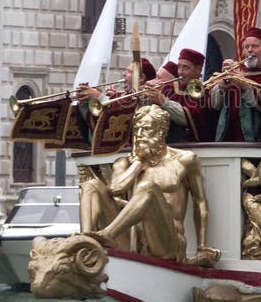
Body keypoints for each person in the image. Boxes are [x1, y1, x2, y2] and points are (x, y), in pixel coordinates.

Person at [82, 104, 212, 264]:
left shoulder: (185, 160)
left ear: (161, 131)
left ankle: (108, 234)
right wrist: (138, 161)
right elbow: (115, 189)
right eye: (137, 130)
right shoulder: (125, 162)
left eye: (146, 130)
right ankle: (84, 243)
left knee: (148, 186)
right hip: (131, 238)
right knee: (91, 185)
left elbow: (200, 202)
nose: (140, 135)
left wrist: (202, 247)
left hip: (166, 242)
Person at [210, 27, 261, 142]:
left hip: (257, 138)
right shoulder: (236, 69)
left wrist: (245, 86)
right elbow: (215, 106)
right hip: (227, 136)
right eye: (246, 47)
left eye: (254, 46)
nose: (249, 50)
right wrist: (221, 84)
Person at [151, 48, 217, 142]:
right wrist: (147, 96)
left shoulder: (205, 91)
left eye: (185, 68)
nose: (180, 72)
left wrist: (163, 101)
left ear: (198, 70)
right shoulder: (168, 87)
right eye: (179, 67)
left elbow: (190, 118)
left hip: (192, 146)